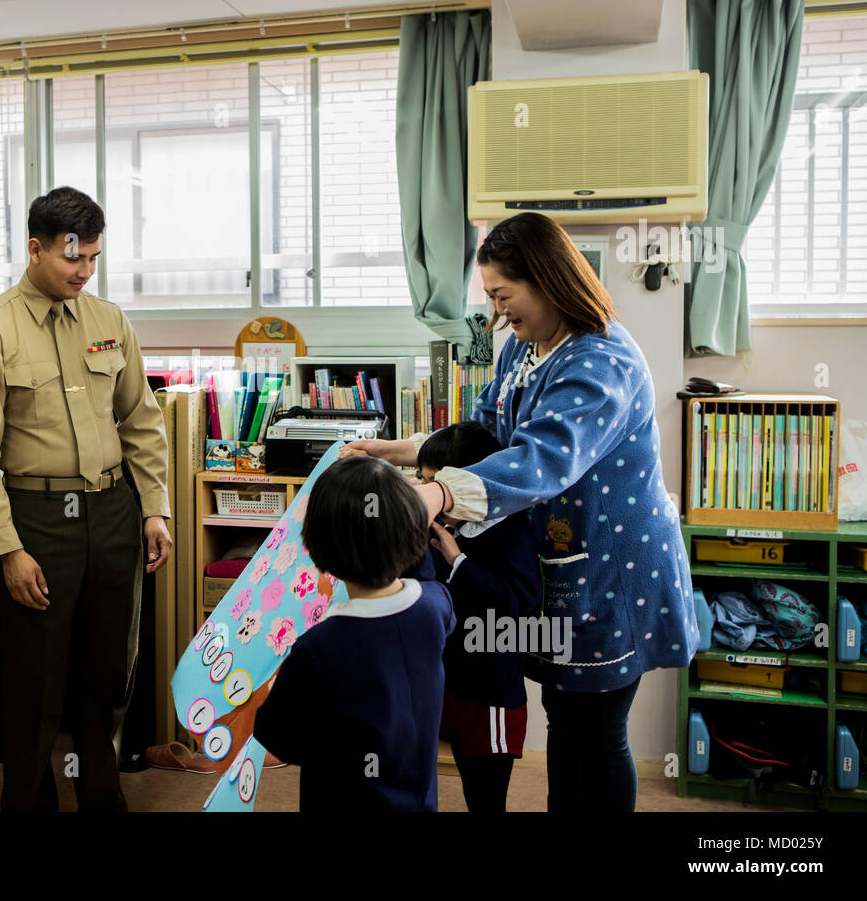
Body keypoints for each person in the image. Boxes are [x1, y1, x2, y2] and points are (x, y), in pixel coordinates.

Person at [345, 211, 697, 812]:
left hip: (614, 573)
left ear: (545, 279)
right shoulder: (524, 349)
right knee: (566, 716)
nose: (498, 312)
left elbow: (540, 460)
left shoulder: (600, 361)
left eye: (503, 295)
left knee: (597, 727)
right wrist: (400, 450)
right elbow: (483, 432)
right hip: (563, 565)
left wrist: (434, 495)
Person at [0, 186, 172, 812]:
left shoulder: (109, 322)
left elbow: (142, 421)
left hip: (112, 513)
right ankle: (26, 801)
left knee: (108, 675)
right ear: (35, 248)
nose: (85, 272)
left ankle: (102, 796)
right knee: (33, 685)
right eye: (74, 258)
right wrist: (8, 549)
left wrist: (153, 508)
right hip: (37, 519)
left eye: (95, 259)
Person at [253, 455, 455, 811]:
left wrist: (273, 687)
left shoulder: (317, 648)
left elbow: (277, 737)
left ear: (318, 552)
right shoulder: (437, 606)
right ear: (414, 534)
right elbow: (422, 579)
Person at [406, 421, 542, 812]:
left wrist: (458, 560)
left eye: (437, 488)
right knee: (466, 783)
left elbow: (518, 606)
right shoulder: (447, 526)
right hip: (454, 685)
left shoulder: (511, 532)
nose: (429, 497)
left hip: (492, 696)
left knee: (486, 797)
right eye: (422, 481)